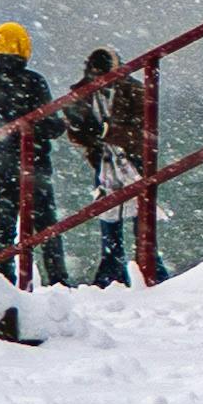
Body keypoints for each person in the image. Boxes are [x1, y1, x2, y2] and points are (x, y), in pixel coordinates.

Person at [0, 24, 61, 285]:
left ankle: (4, 278)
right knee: (45, 225)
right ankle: (57, 279)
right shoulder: (33, 81)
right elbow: (51, 125)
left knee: (5, 223)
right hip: (33, 164)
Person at [71, 49, 151, 282]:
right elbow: (78, 132)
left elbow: (142, 128)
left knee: (135, 225)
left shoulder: (131, 91)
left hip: (127, 161)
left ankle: (134, 271)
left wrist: (106, 133)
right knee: (116, 224)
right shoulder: (85, 94)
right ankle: (126, 272)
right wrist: (83, 130)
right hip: (107, 163)